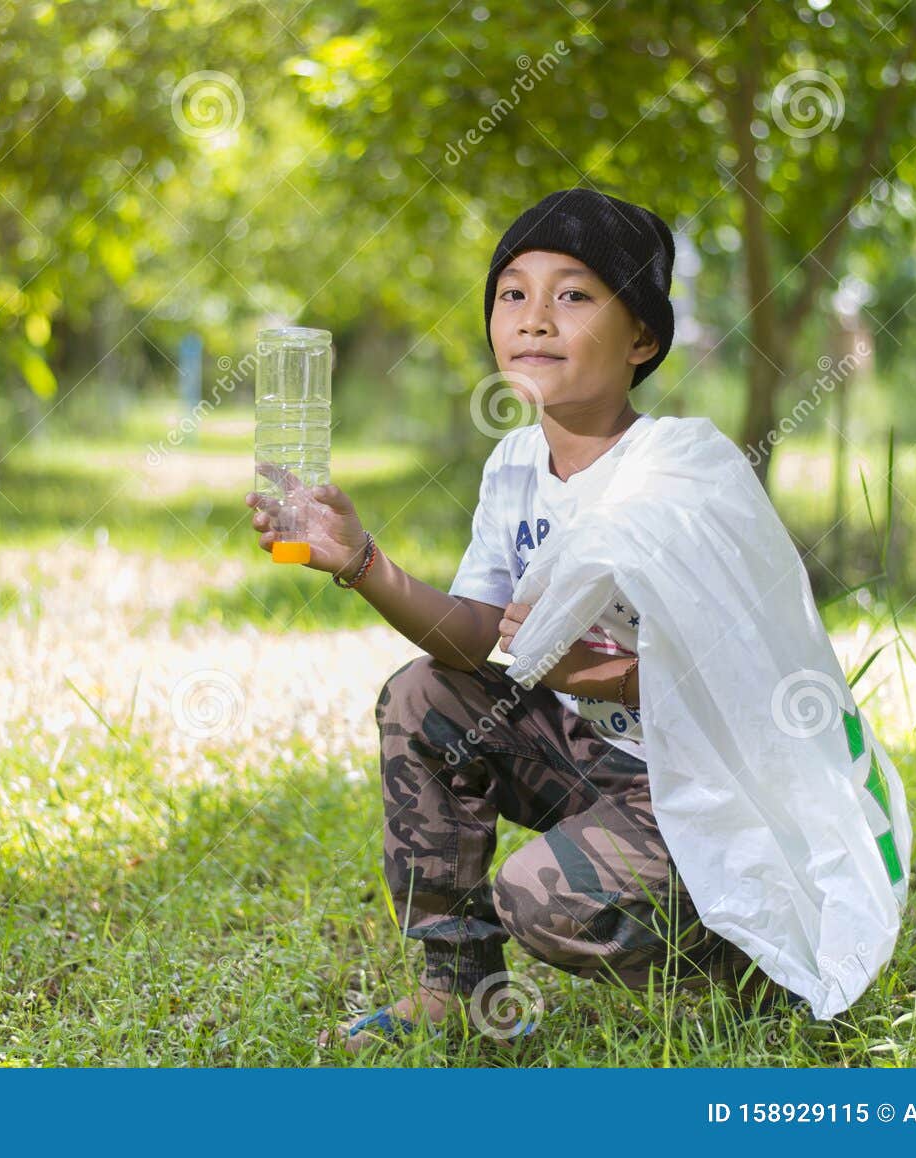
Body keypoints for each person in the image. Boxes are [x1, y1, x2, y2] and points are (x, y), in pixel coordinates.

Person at [245, 189, 755, 1054]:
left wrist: (591, 664)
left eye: (575, 294)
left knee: (540, 897)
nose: (535, 319)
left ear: (642, 337)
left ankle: (745, 962)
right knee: (423, 697)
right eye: (513, 294)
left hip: (695, 790)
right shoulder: (515, 463)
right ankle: (454, 988)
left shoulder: (677, 473)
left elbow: (736, 674)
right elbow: (483, 635)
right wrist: (364, 563)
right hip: (593, 759)